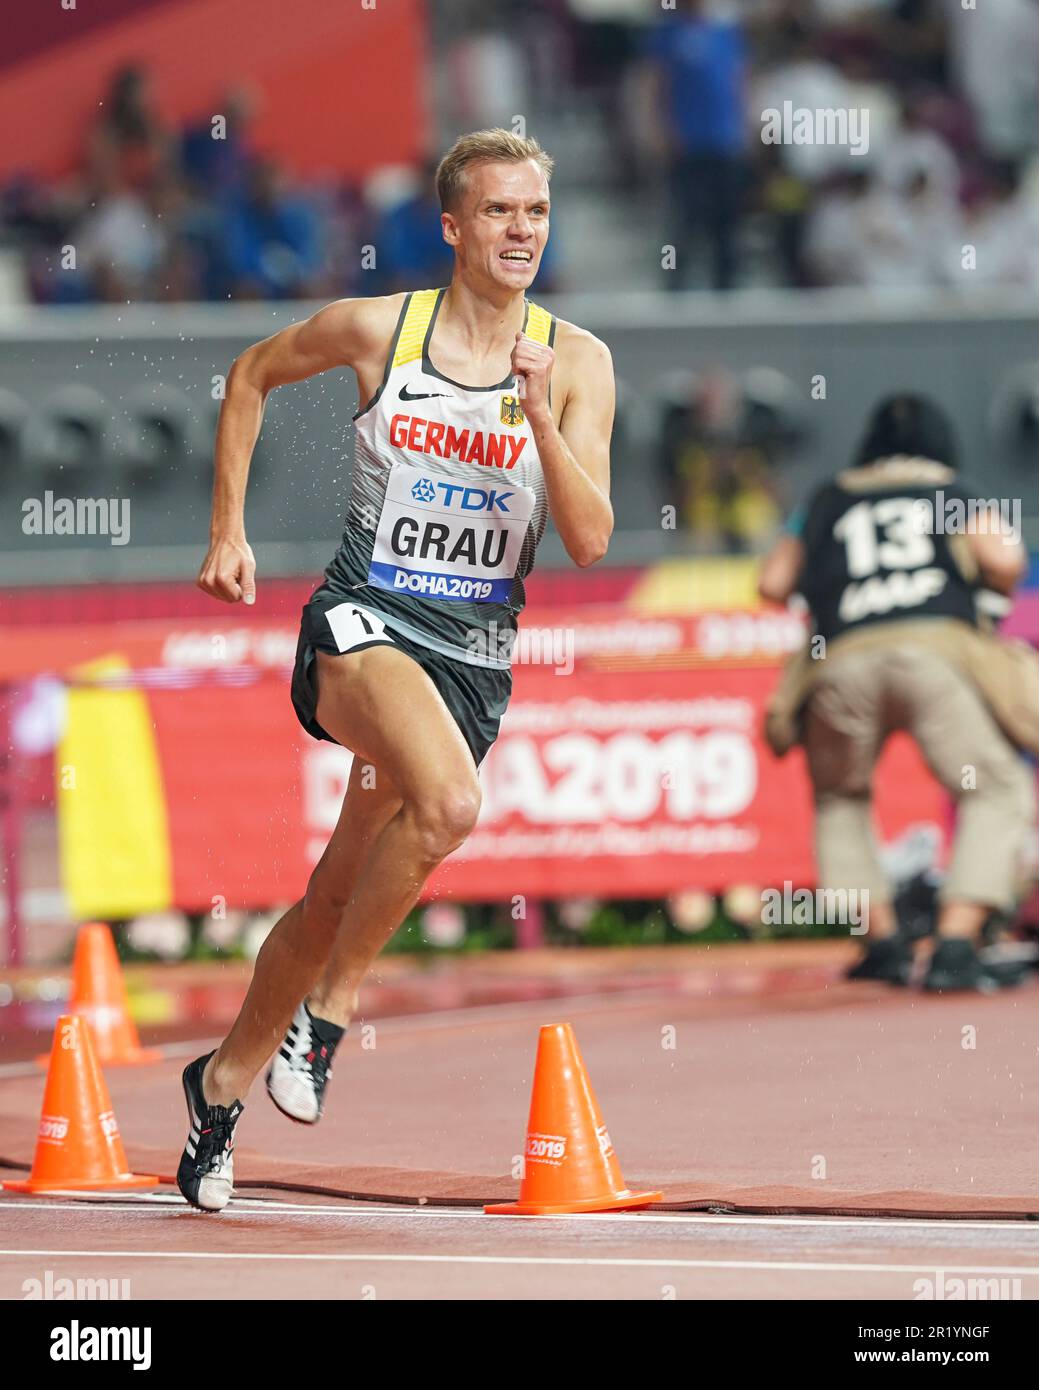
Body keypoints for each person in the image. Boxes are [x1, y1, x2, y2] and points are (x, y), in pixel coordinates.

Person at [177, 128, 615, 1210]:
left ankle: (219, 1084)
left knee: (335, 893)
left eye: (536, 212)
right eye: (500, 211)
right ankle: (328, 1019)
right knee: (452, 803)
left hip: (471, 659)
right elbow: (249, 374)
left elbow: (590, 538)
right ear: (454, 227)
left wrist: (538, 415)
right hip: (362, 621)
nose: (522, 231)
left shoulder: (577, 361)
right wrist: (227, 530)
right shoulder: (382, 329)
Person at [759, 394, 1034, 992]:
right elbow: (1004, 558)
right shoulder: (951, 489)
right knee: (996, 788)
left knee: (840, 798)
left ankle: (881, 942)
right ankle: (956, 944)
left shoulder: (827, 497)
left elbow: (773, 582)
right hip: (935, 656)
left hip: (838, 661)